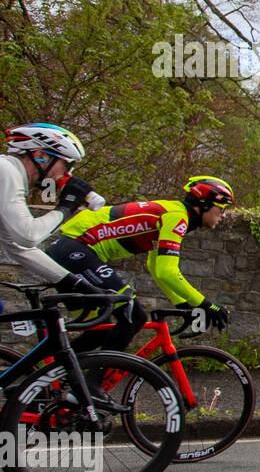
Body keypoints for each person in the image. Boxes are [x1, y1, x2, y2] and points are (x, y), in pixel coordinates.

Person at [49, 176, 236, 355]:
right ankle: (100, 376)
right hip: (77, 249)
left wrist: (182, 303)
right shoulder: (177, 217)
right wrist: (208, 306)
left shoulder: (171, 212)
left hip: (68, 249)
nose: (223, 215)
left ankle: (52, 373)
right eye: (221, 209)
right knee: (134, 316)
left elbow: (154, 267)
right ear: (204, 204)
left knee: (99, 331)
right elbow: (167, 272)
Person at [0, 123, 98, 292]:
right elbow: (28, 236)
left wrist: (75, 283)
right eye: (67, 165)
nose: (68, 174)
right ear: (41, 155)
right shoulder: (6, 171)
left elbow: (18, 246)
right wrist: (66, 207)